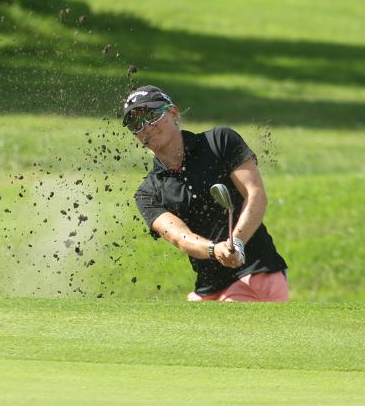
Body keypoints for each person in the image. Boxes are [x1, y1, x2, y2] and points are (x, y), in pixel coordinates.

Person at [123, 85, 289, 302]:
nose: (146, 127)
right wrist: (213, 250)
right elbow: (179, 237)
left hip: (255, 273)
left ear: (173, 113)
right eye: (136, 124)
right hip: (208, 288)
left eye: (152, 116)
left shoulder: (219, 142)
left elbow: (255, 194)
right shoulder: (148, 193)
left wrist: (236, 242)